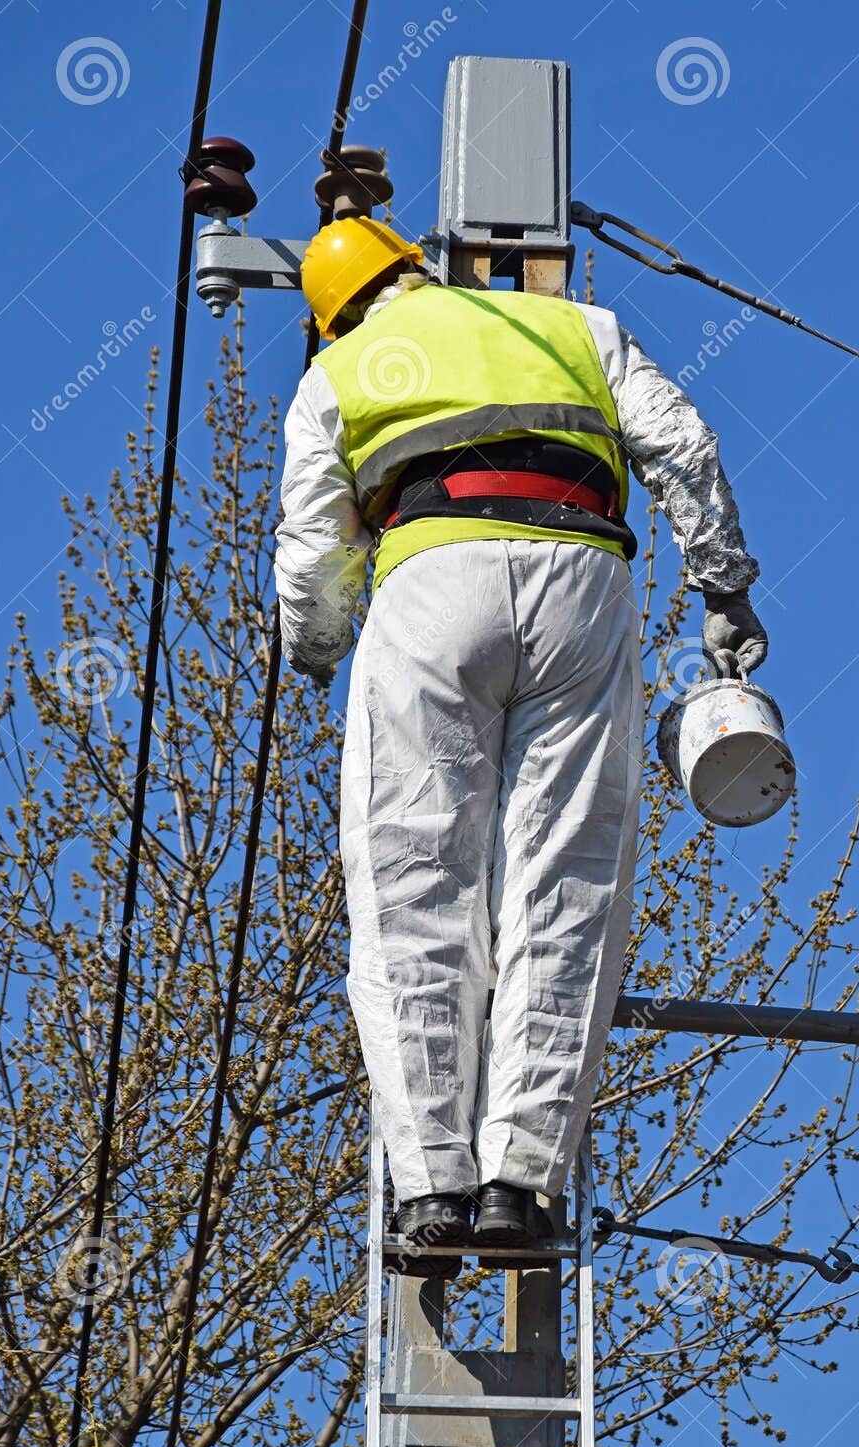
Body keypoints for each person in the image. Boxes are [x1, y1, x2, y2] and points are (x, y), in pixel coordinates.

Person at [273, 216, 767, 1266]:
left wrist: (316, 651)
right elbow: (682, 444)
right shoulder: (575, 328)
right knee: (565, 879)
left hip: (430, 586)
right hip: (580, 582)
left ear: (333, 318)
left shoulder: (336, 374)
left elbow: (313, 556)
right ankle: (518, 1182)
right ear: (413, 268)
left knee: (413, 883)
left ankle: (430, 1188)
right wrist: (721, 587)